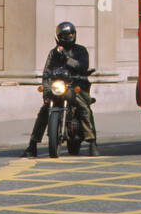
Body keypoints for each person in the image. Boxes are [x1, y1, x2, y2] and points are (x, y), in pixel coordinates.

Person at [24, 22, 97, 157]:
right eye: (64, 35)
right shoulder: (53, 53)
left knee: (84, 107)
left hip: (75, 85)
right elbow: (46, 73)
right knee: (44, 112)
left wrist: (67, 58)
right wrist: (46, 92)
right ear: (59, 36)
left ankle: (92, 143)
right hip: (58, 87)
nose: (68, 37)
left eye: (70, 34)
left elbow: (82, 66)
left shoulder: (80, 50)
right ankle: (32, 145)